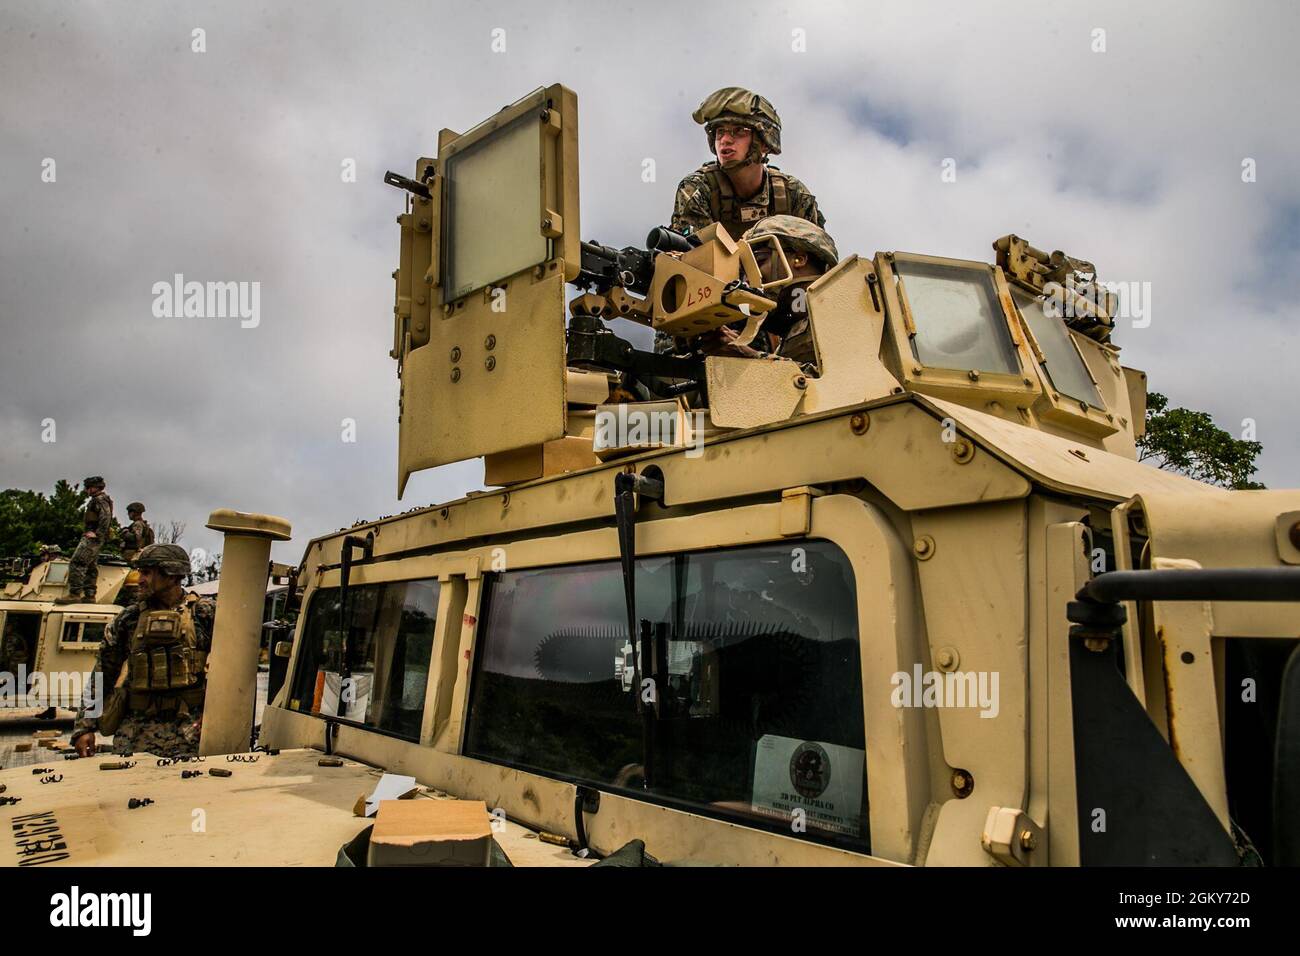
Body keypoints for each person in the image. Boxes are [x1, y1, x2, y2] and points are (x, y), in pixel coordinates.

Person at [71, 544, 214, 758]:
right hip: (136, 732)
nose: (139, 580)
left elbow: (231, 671)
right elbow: (102, 673)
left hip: (189, 731)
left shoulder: (205, 614)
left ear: (172, 575)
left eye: (146, 572)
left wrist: (215, 719)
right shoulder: (129, 619)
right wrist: (85, 727)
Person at [671, 87, 826, 243]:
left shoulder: (792, 195)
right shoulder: (699, 189)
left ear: (764, 143)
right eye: (719, 132)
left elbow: (819, 258)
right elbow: (696, 258)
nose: (725, 140)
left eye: (738, 131)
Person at [699, 214, 840, 363]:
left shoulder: (844, 310)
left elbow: (838, 381)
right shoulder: (791, 334)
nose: (748, 280)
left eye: (759, 262)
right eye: (745, 273)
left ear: (799, 259)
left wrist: (748, 356)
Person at [56, 476, 113, 604]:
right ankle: (89, 595)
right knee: (91, 566)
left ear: (95, 487)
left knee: (77, 562)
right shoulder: (100, 499)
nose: (87, 490)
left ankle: (74, 594)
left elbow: (106, 517)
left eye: (88, 487)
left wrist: (98, 534)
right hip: (95, 537)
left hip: (92, 538)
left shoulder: (99, 500)